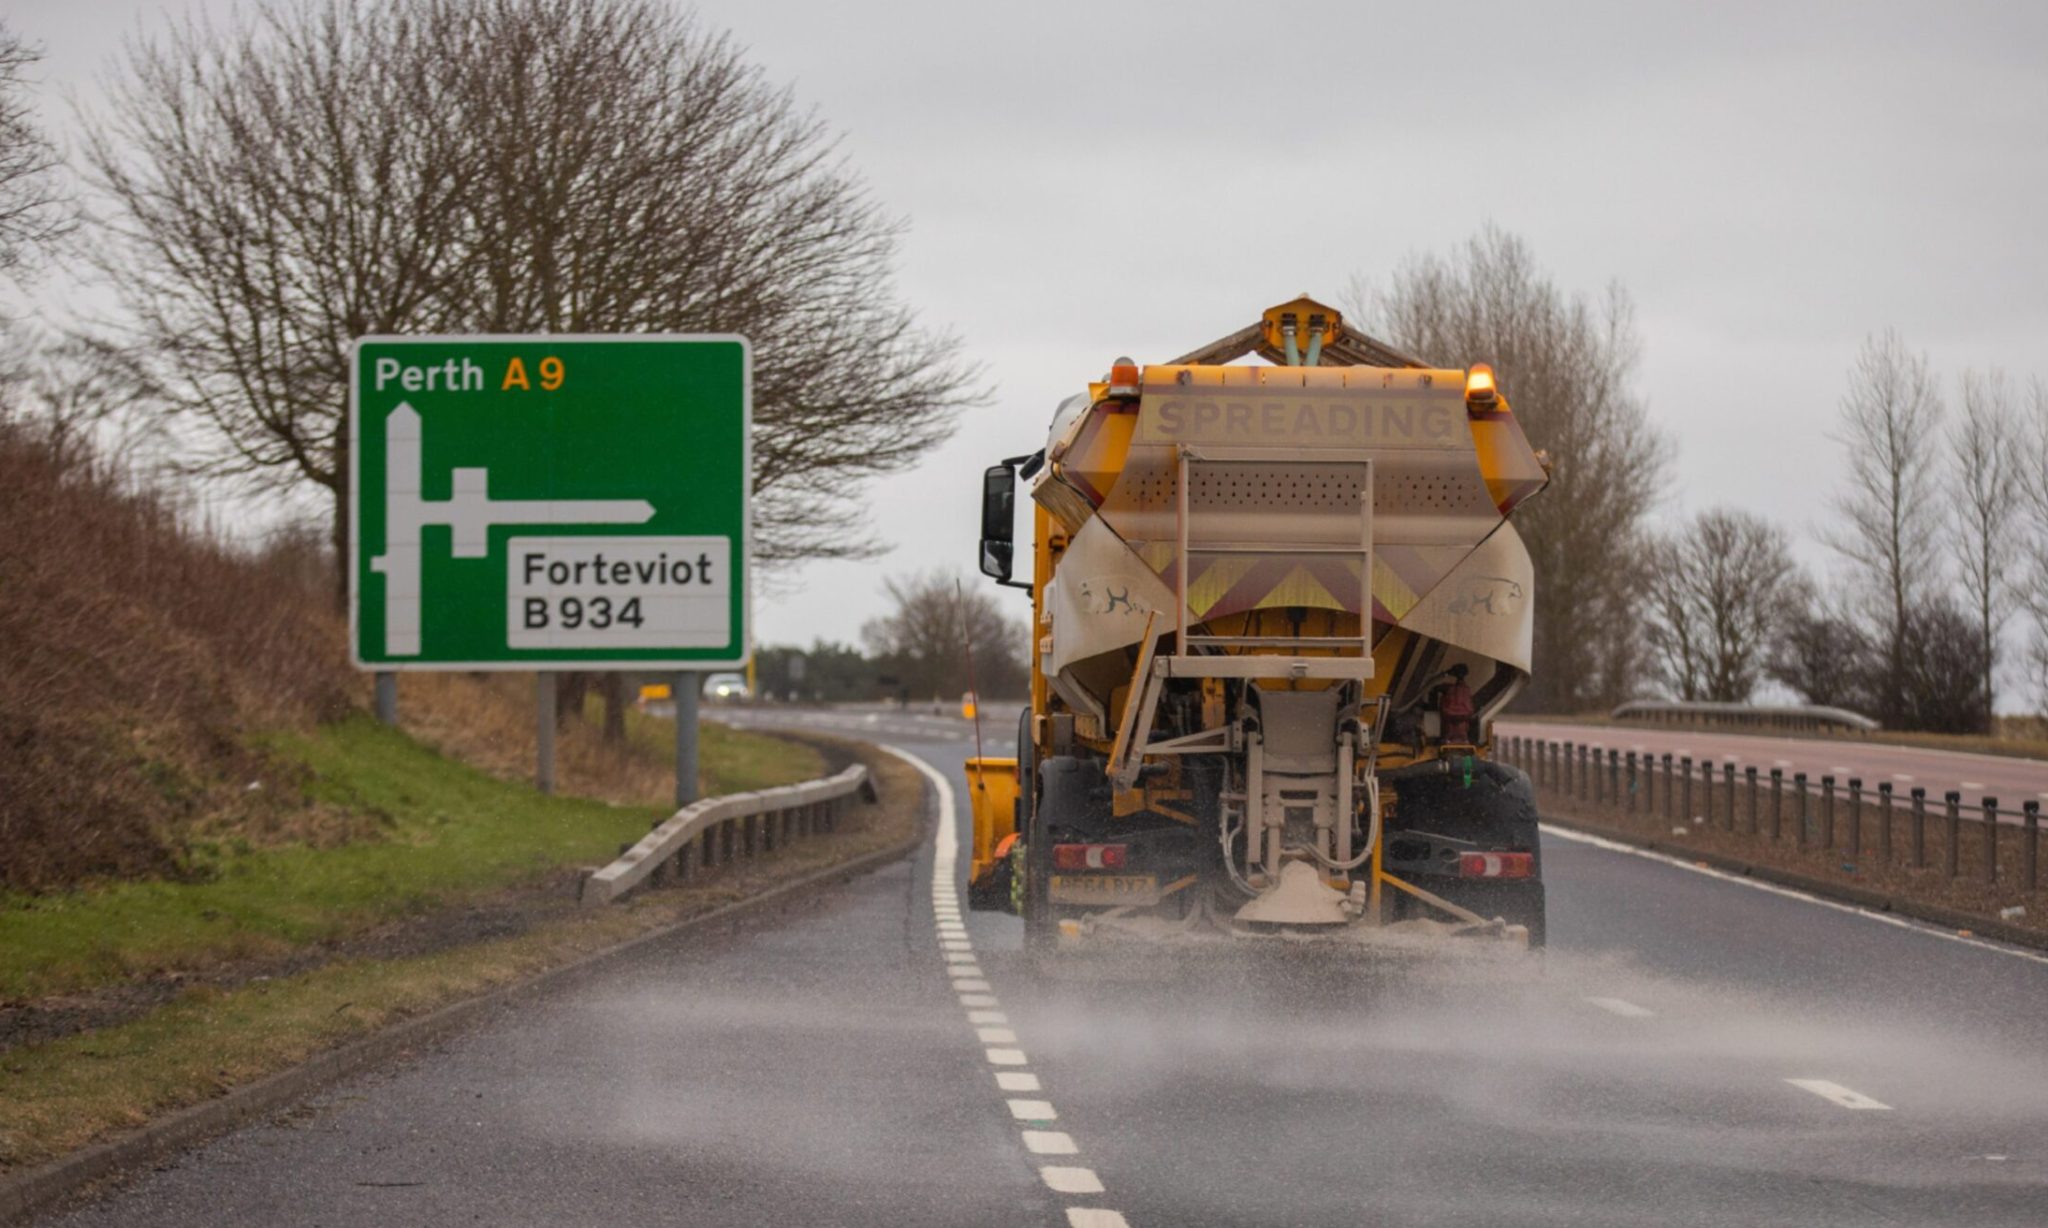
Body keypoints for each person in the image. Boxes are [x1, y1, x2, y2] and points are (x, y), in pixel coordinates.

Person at [1433, 663, 1476, 744]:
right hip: (1461, 718)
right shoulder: (1466, 689)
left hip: (1449, 717)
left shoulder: (1449, 688)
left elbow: (1435, 689)